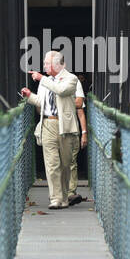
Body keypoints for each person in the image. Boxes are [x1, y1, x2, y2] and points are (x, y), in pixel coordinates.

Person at [20, 51, 79, 208]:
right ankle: (55, 199)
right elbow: (40, 101)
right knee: (52, 164)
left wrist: (42, 78)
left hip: (64, 127)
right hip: (47, 124)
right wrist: (29, 95)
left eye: (47, 63)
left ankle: (64, 197)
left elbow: (60, 91)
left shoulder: (71, 79)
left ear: (56, 64)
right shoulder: (45, 82)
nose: (44, 65)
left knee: (65, 164)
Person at [65, 74, 88, 205]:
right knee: (56, 162)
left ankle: (70, 193)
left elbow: (80, 109)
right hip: (54, 126)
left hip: (71, 128)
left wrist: (84, 133)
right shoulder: (47, 82)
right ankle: (59, 193)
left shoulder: (74, 83)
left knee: (71, 161)